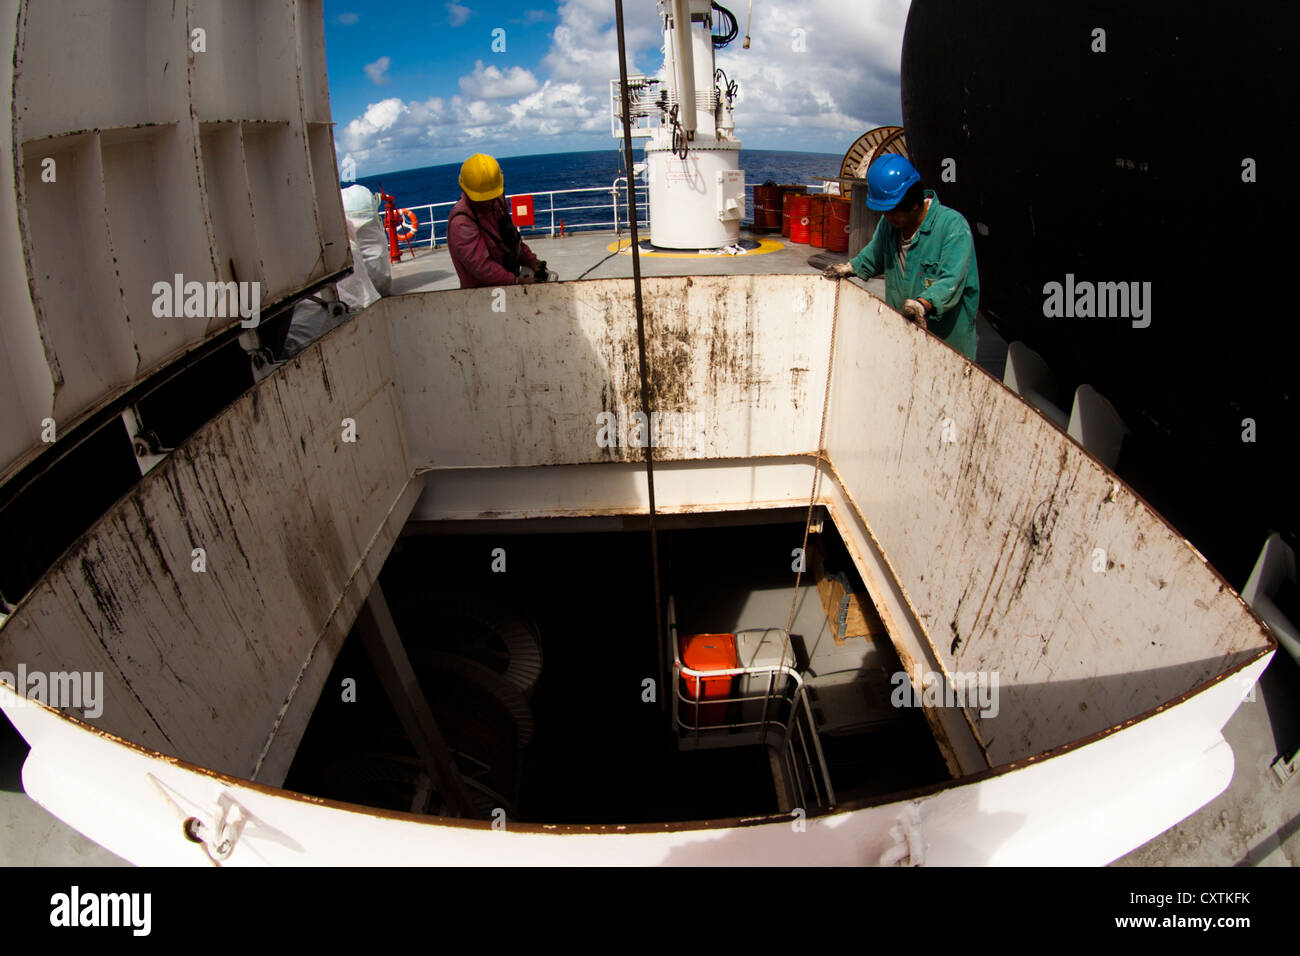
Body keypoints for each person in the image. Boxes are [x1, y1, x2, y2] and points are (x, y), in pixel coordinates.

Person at [824, 155, 979, 360]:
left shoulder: (953, 227)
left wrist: (922, 304)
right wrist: (850, 268)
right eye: (884, 211)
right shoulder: (889, 225)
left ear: (915, 203)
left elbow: (951, 281)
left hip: (947, 346)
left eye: (893, 211)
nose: (887, 217)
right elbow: (874, 255)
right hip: (905, 339)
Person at [448, 153, 550, 289]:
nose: (489, 202)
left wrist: (530, 259)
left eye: (491, 196)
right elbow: (481, 268)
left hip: (508, 282)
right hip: (481, 294)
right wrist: (516, 282)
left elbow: (511, 237)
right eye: (482, 199)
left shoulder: (498, 199)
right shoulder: (461, 222)